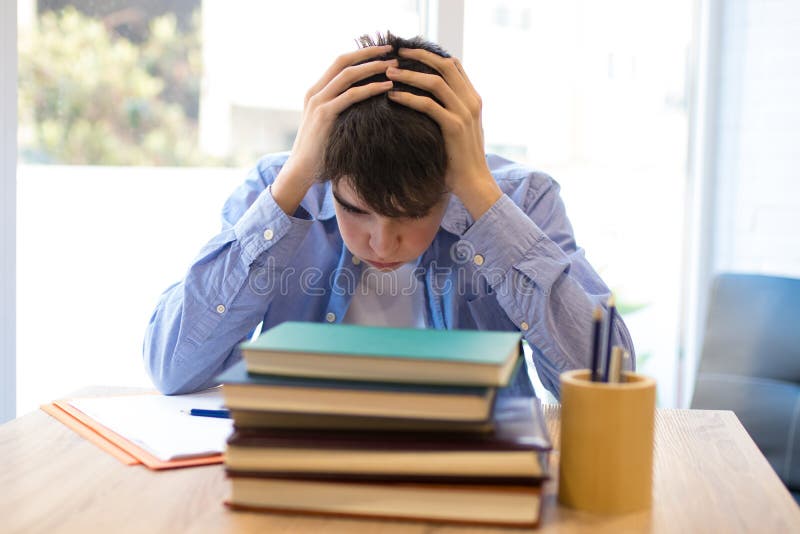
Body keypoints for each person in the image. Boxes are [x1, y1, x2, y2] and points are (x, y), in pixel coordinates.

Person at [143, 32, 635, 398]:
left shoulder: (520, 198)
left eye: (412, 214)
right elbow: (172, 367)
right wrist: (290, 186)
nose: (380, 243)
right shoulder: (283, 189)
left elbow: (607, 380)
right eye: (354, 210)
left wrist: (482, 197)